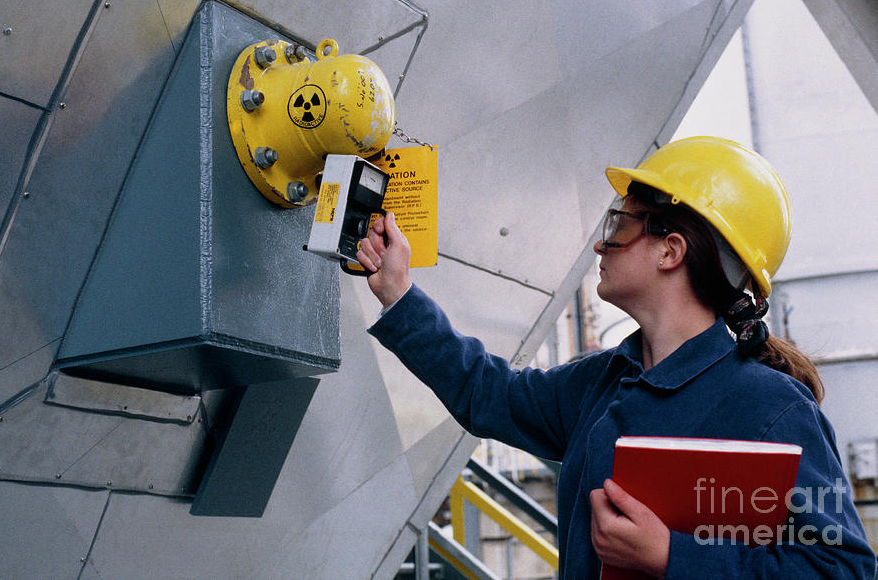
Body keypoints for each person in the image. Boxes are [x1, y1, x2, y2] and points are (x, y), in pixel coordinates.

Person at [357, 136, 877, 579]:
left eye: (620, 227)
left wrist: (671, 556)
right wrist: (399, 295)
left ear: (671, 251)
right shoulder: (602, 382)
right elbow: (488, 393)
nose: (601, 247)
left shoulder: (773, 409)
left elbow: (844, 569)